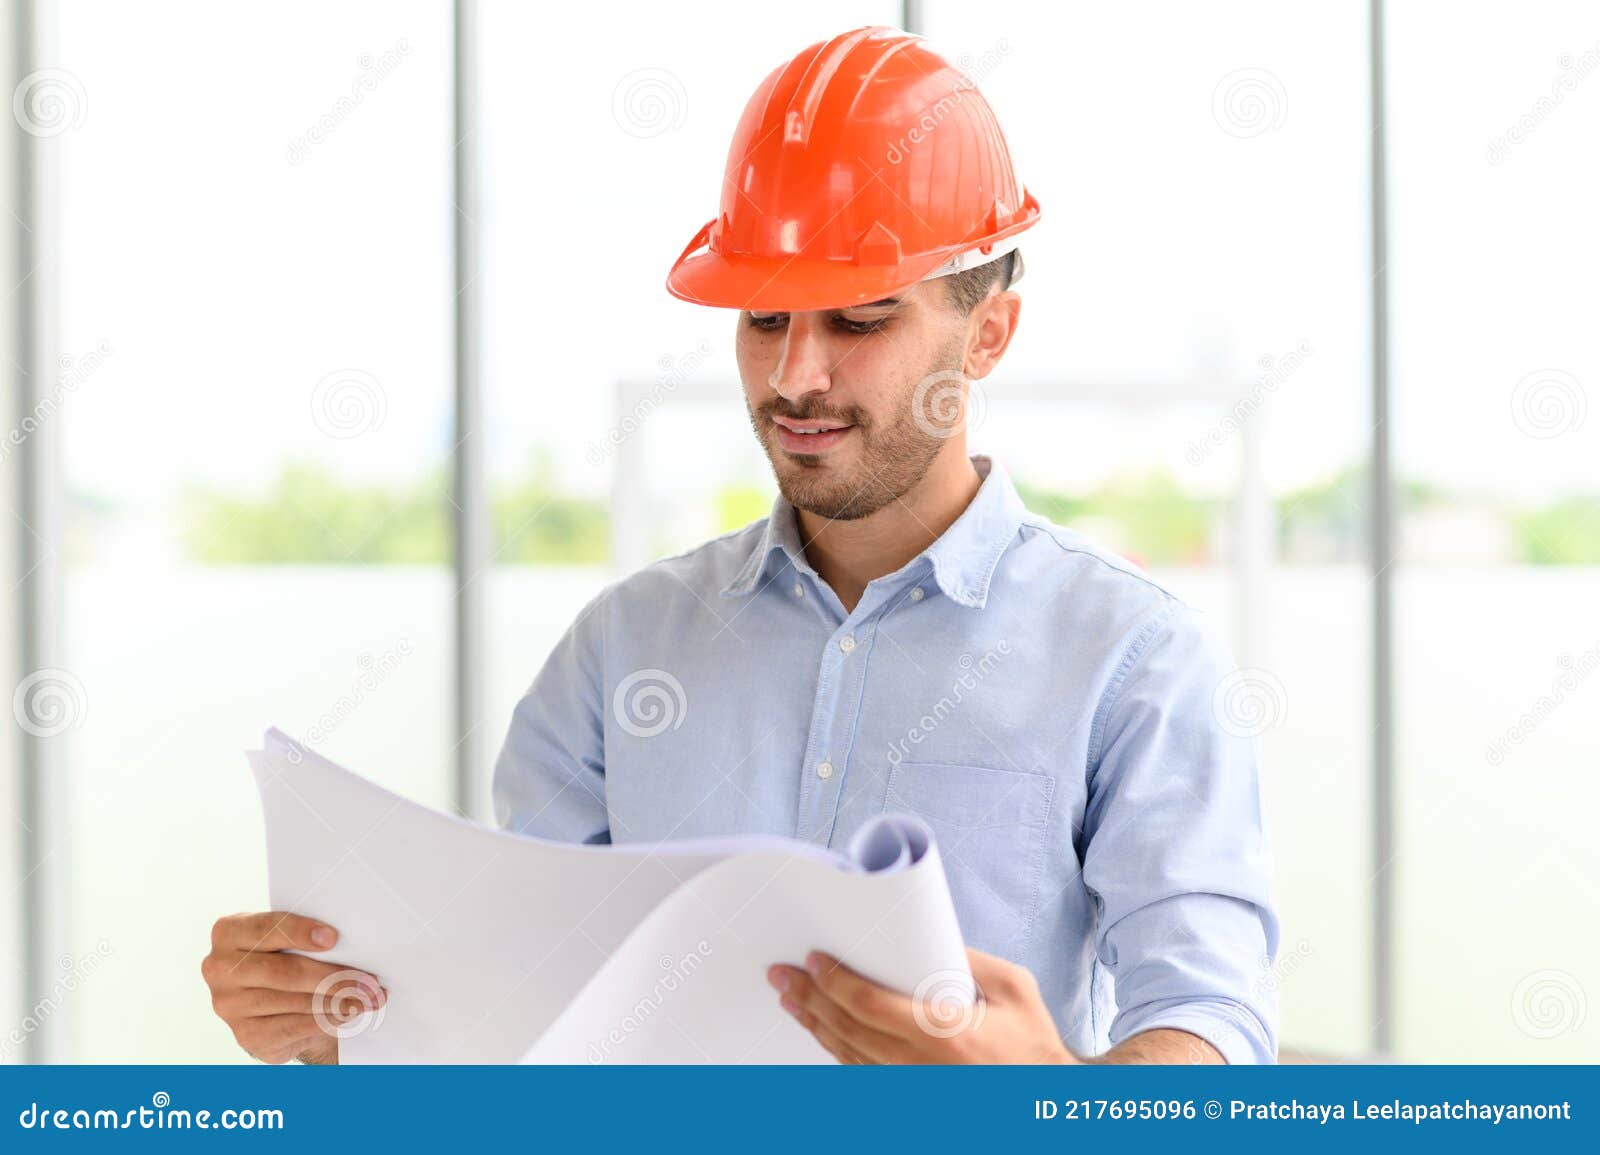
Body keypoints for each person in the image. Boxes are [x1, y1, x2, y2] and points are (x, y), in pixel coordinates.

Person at [202, 25, 1278, 1066]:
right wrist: (333, 1027)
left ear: (986, 331)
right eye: (763, 319)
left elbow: (1209, 1020)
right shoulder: (621, 649)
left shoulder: (1131, 660)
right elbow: (523, 1018)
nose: (795, 376)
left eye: (858, 321)